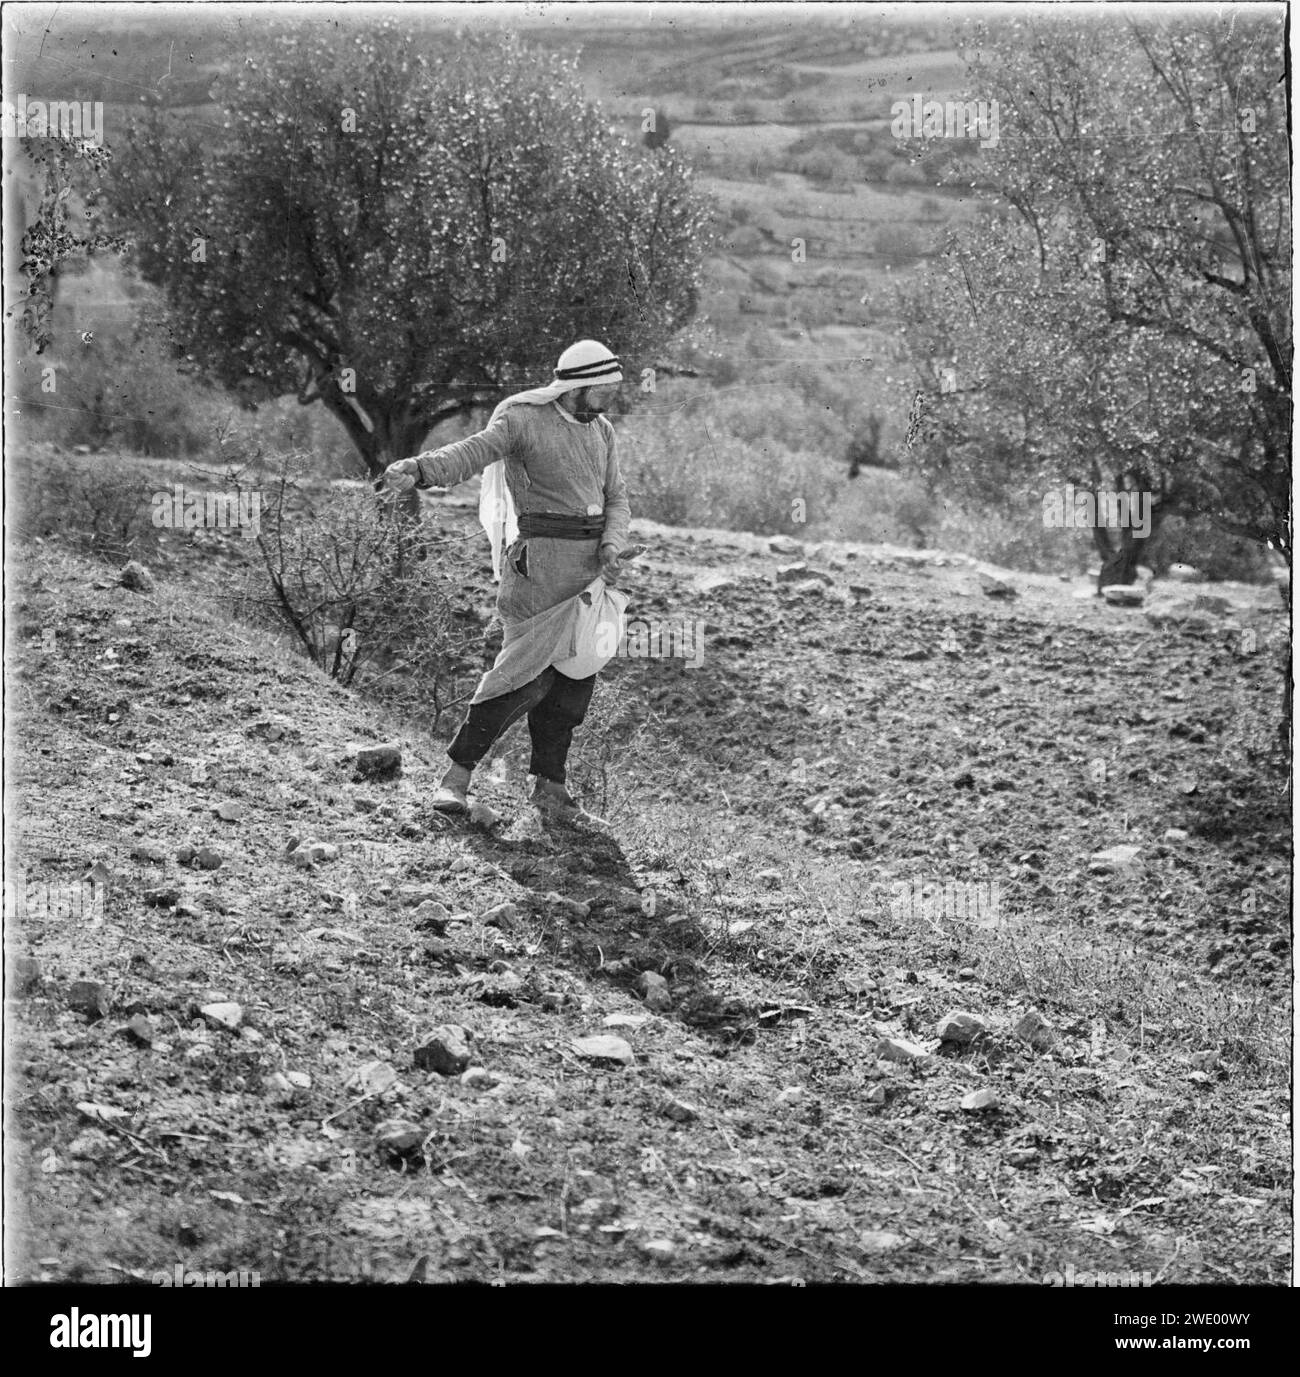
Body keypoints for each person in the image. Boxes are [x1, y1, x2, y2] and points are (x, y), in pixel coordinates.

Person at [384, 339, 630, 818]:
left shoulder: (601, 430)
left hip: (588, 574)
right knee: (518, 678)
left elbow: (615, 497)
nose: (612, 399)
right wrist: (420, 468)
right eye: (606, 389)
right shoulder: (522, 419)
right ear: (580, 386)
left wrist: (611, 544)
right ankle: (454, 781)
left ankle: (551, 791)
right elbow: (474, 452)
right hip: (538, 568)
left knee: (571, 686)